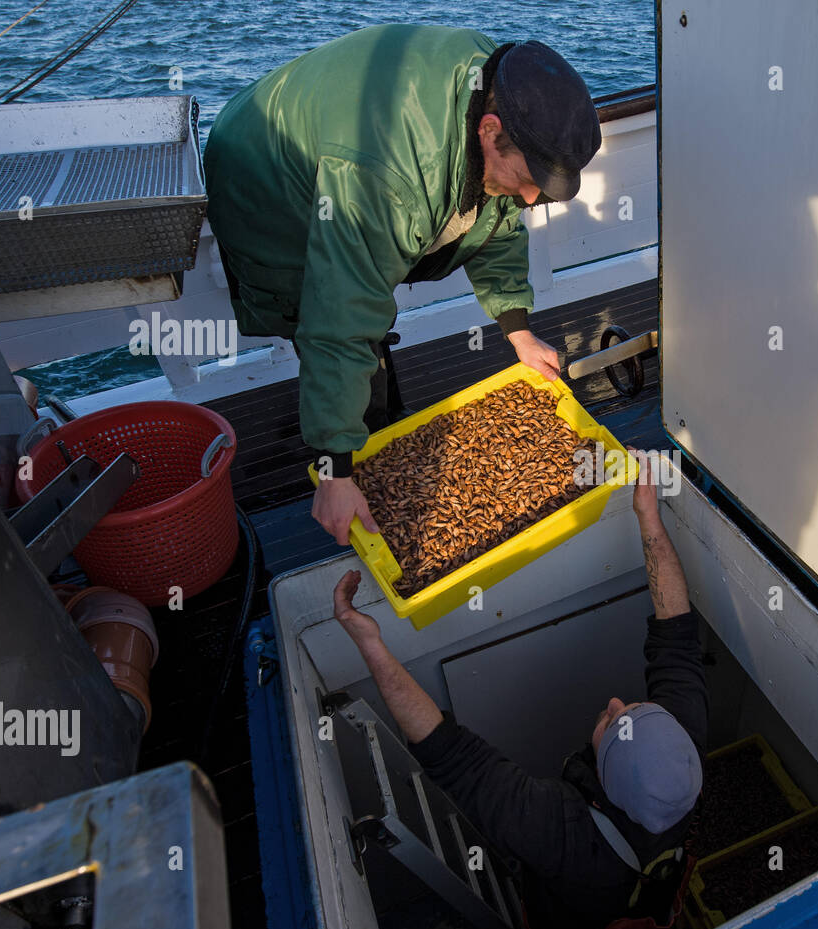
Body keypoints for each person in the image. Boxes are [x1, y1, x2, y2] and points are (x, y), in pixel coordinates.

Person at [203, 25, 602, 544]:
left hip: (349, 147)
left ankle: (367, 408)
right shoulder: (385, 180)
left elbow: (495, 217)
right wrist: (332, 469)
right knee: (328, 303)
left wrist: (517, 330)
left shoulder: (502, 87)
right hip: (261, 170)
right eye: (530, 182)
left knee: (367, 290)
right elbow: (337, 311)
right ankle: (349, 440)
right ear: (487, 130)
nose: (530, 200)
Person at [332, 453, 708, 929]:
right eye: (636, 710)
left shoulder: (557, 832)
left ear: (606, 779)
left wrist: (370, 644)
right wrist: (648, 518)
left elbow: (451, 755)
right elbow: (675, 628)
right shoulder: (686, 745)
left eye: (615, 725)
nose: (616, 703)